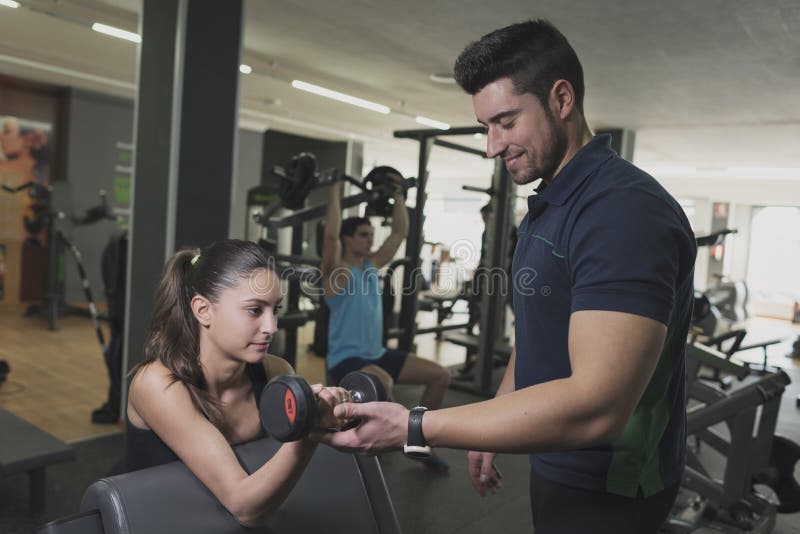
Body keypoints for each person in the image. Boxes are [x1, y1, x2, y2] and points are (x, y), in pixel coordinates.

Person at [320, 19, 697, 534]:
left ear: (561, 99)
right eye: (485, 128)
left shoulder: (622, 212)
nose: (492, 147)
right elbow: (537, 329)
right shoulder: (545, 208)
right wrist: (495, 415)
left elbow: (598, 409)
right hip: (555, 457)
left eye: (505, 122)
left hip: (608, 482)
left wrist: (416, 424)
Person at [120, 239, 352, 526]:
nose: (271, 327)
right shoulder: (157, 384)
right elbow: (245, 508)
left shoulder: (275, 372)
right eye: (255, 310)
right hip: (157, 523)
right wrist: (307, 434)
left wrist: (331, 414)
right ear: (203, 310)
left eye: (275, 310)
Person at [321, 167, 452, 473]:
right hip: (345, 359)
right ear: (347, 239)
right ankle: (379, 441)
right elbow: (329, 236)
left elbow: (398, 234)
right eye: (363, 235)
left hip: (376, 354)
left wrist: (398, 196)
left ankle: (417, 439)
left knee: (440, 375)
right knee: (384, 381)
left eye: (370, 235)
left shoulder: (370, 266)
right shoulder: (337, 274)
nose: (370, 241)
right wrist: (333, 189)